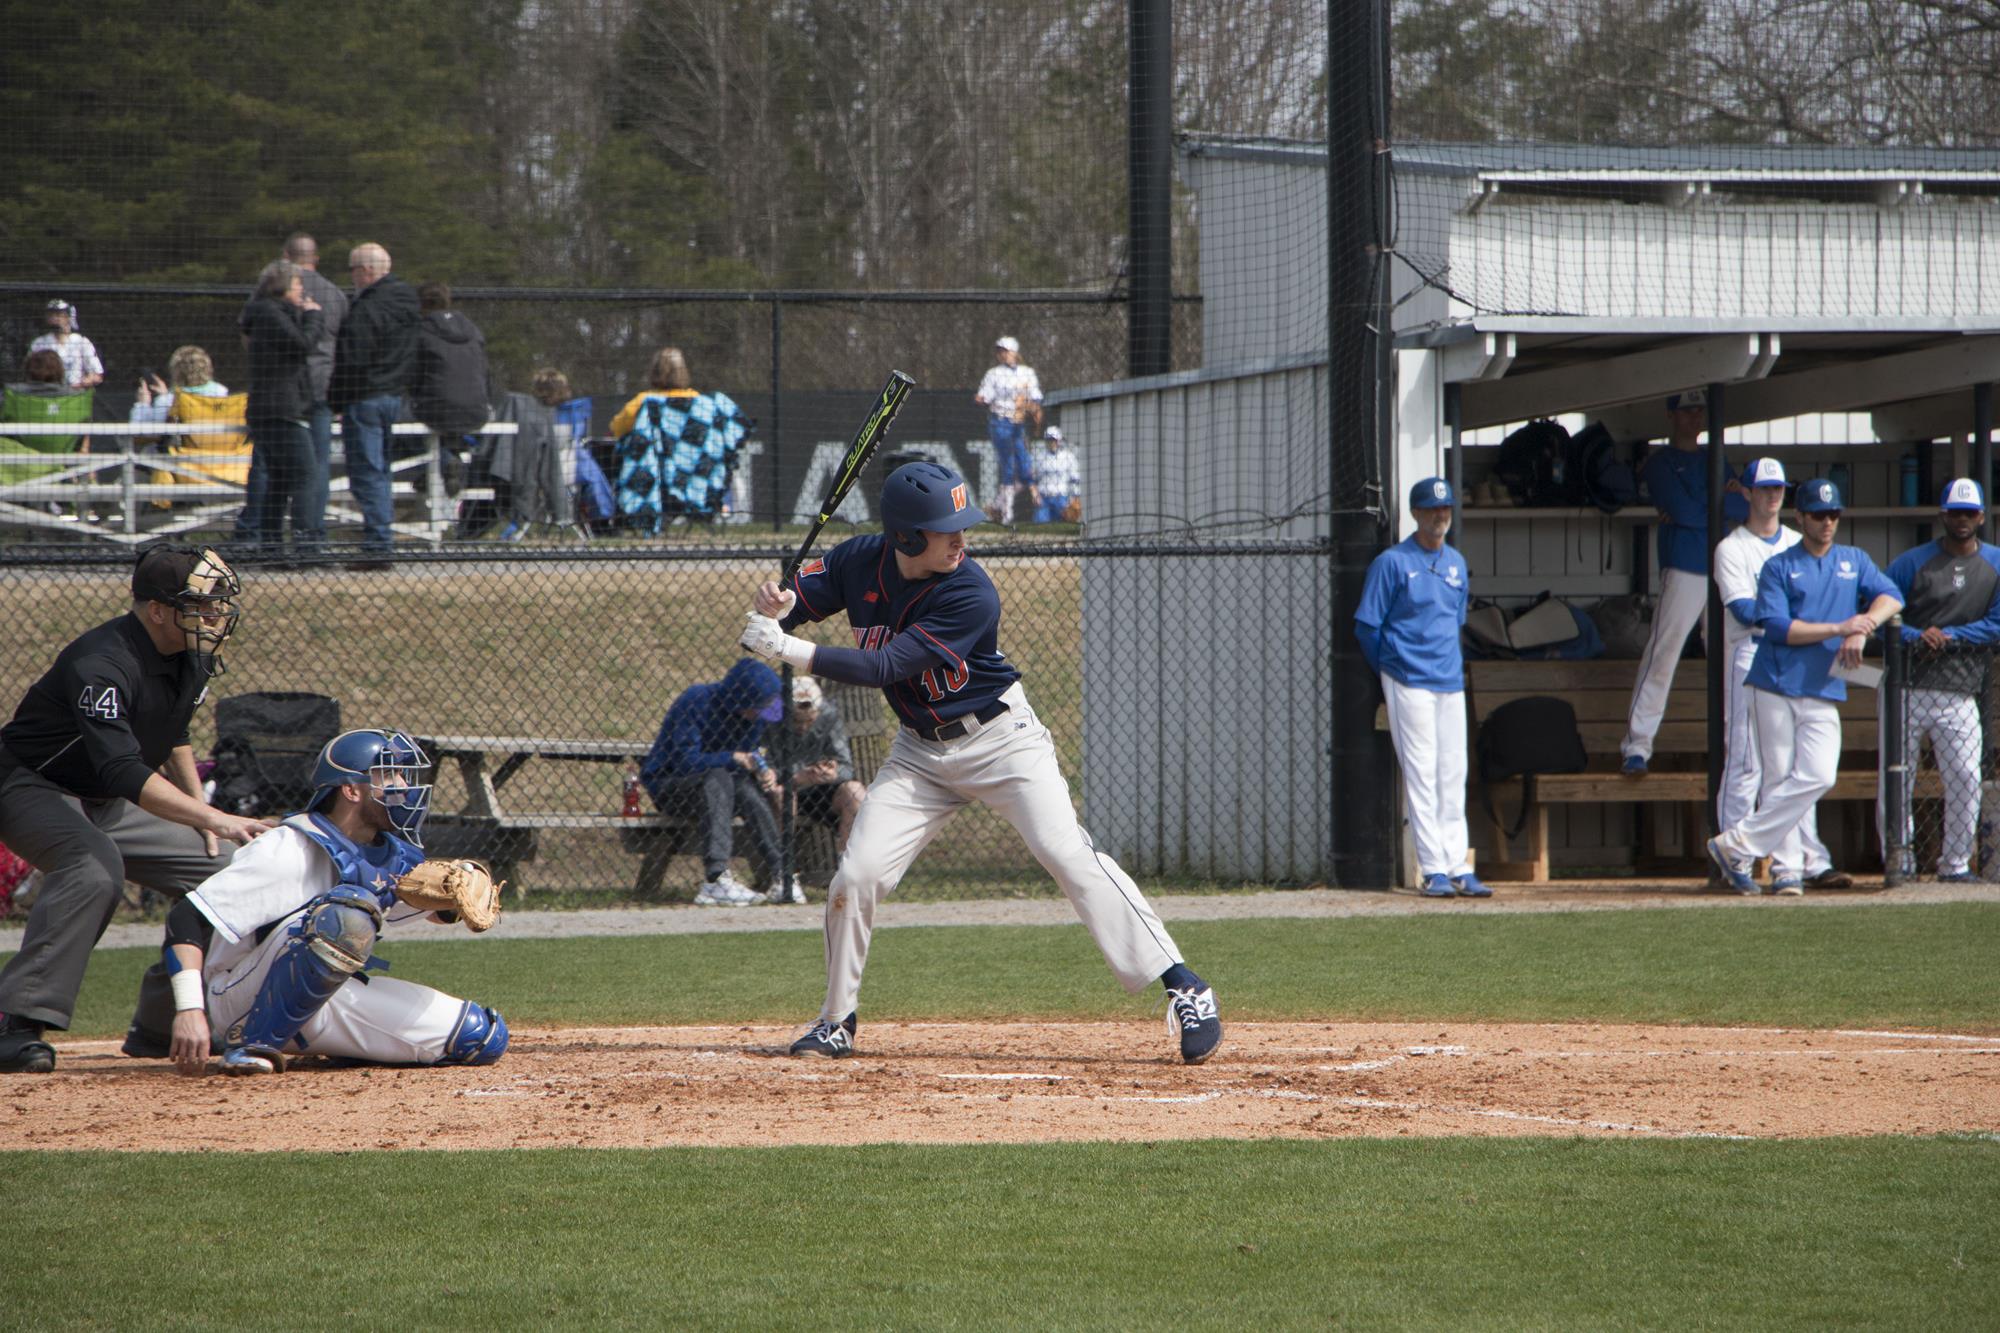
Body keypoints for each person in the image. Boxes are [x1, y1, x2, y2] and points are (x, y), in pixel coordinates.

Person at [740, 460, 1223, 1064]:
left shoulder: (970, 591)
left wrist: (785, 645)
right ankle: (836, 1021)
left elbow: (885, 666)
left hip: (1002, 740)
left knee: (1065, 852)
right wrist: (775, 606)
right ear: (905, 537)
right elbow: (791, 605)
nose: (960, 540)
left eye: (962, 526)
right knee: (857, 875)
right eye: (946, 530)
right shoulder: (857, 560)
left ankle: (1185, 985)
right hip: (920, 753)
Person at [0, 545, 272, 1074]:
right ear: (158, 610)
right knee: (93, 868)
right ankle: (16, 1022)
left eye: (218, 602)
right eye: (200, 604)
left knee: (231, 872)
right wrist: (214, 817)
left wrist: (200, 813)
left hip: (106, 797)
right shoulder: (101, 662)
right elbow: (122, 770)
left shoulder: (191, 652)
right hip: (28, 783)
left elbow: (173, 734)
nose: (214, 614)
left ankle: (161, 1021)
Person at [121, 728, 509, 1075]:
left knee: (481, 1036)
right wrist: (190, 1009)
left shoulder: (386, 851)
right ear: (352, 790)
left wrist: (453, 901)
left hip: (324, 995)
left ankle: (345, 1045)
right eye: (389, 776)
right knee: (346, 913)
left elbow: (414, 909)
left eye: (403, 776)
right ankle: (251, 1045)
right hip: (240, 998)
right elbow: (187, 918)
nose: (403, 787)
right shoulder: (289, 847)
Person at [1706, 479, 1902, 895]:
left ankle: (1736, 844)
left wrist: (1863, 628)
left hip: (1823, 685)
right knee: (1779, 777)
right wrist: (1840, 627)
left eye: (1834, 514)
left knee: (1819, 775)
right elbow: (1777, 627)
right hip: (1774, 681)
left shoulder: (1853, 559)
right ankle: (1786, 870)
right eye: (1818, 514)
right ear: (1800, 517)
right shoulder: (1779, 564)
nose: (1827, 522)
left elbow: (1891, 596)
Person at [1353, 477, 1491, 900]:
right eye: (1431, 509)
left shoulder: (1455, 562)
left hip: (1449, 680)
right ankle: (1433, 869)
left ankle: (1459, 866)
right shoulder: (1392, 562)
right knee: (1422, 772)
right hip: (1408, 680)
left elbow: (1455, 623)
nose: (1439, 515)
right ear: (1415, 513)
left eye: (1445, 508)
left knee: (1453, 772)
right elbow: (1366, 627)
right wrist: (1391, 668)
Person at [1712, 459, 1841, 892]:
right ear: (1745, 492)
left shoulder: (1797, 541)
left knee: (1801, 767)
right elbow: (1742, 610)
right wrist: (1795, 617)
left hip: (1801, 656)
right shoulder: (1732, 547)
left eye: (1778, 488)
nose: (1772, 495)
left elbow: (1828, 598)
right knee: (1747, 761)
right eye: (1764, 488)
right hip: (1751, 654)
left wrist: (1798, 620)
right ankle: (1736, 860)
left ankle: (1806, 861)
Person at [1621, 389, 1748, 776]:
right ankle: (1637, 746)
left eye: (1699, 411)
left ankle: (1736, 745)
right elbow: (1684, 510)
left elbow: (1742, 507)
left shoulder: (1714, 458)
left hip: (1722, 566)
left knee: (1728, 657)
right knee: (1663, 653)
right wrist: (1718, 502)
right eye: (1687, 410)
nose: (1695, 417)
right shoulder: (1661, 463)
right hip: (1684, 566)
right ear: (1671, 416)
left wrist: (1711, 505)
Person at [1880, 478, 2000, 882]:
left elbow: (1997, 623)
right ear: (1942, 515)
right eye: (1955, 512)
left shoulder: (1995, 563)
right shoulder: (1912, 562)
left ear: (1981, 516)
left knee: (1966, 776)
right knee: (1897, 777)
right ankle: (1900, 860)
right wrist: (1917, 635)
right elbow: (1881, 614)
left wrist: (1951, 636)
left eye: (1969, 512)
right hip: (1905, 686)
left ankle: (1955, 864)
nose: (1962, 519)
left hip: (1961, 687)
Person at [638, 658, 788, 906]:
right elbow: (684, 761)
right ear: (738, 698)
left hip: (721, 789)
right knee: (718, 776)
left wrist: (761, 769)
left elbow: (749, 753)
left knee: (744, 788)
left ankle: (783, 875)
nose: (759, 714)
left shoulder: (755, 719)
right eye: (756, 707)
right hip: (671, 785)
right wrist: (732, 758)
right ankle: (716, 879)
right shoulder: (696, 701)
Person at [241, 235, 347, 548]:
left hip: (279, 404)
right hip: (282, 407)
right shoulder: (271, 314)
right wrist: (313, 316)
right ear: (284, 286)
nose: (303, 290)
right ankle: (305, 541)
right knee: (306, 473)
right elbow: (302, 345)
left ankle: (271, 544)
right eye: (298, 285)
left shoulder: (267, 313)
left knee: (279, 477)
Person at [328, 242, 420, 557]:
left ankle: (378, 543)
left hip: (364, 397)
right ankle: (380, 537)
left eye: (353, 270)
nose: (351, 277)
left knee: (367, 472)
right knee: (379, 470)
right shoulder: (407, 301)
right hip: (393, 395)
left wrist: (336, 399)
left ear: (366, 270)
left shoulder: (367, 307)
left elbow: (352, 358)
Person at [607, 347, 750, 530]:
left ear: (654, 372)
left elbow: (616, 429)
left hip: (653, 481)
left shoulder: (644, 402)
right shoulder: (701, 404)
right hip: (693, 482)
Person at [764, 675, 867, 879]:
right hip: (785, 788)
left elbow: (847, 767)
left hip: (820, 791)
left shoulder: (829, 714)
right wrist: (796, 776)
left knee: (855, 792)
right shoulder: (770, 717)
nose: (803, 727)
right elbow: (764, 769)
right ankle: (783, 874)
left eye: (810, 721)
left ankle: (847, 870)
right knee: (782, 796)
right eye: (796, 720)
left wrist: (833, 773)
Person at [973, 335, 1042, 526]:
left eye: (1005, 350)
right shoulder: (994, 373)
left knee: (1025, 467)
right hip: (1000, 421)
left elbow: (1036, 396)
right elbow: (984, 396)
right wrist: (981, 398)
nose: (1002, 354)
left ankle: (997, 505)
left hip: (1019, 424)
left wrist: (1033, 407)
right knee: (1008, 465)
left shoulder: (1027, 372)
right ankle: (1007, 514)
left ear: (1014, 352)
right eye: (999, 351)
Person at [128, 346, 229, 426]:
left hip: (181, 447)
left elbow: (139, 434)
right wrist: (166, 395)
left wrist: (143, 404)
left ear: (176, 372)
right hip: (219, 446)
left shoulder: (166, 401)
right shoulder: (222, 393)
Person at [28, 299, 103, 389]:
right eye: (51, 314)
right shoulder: (39, 343)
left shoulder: (82, 342)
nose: (54, 318)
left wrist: (81, 384)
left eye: (58, 314)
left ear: (69, 317)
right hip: (47, 393)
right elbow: (30, 373)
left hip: (75, 394)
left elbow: (97, 375)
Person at [1028, 424, 1081, 524]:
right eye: (1048, 440)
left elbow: (1075, 479)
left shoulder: (1068, 457)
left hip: (1061, 498)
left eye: (1053, 440)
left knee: (1062, 525)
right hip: (1043, 497)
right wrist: (1034, 494)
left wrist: (1075, 498)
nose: (1051, 442)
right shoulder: (1038, 457)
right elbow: (1032, 479)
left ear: (1059, 441)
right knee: (1040, 525)